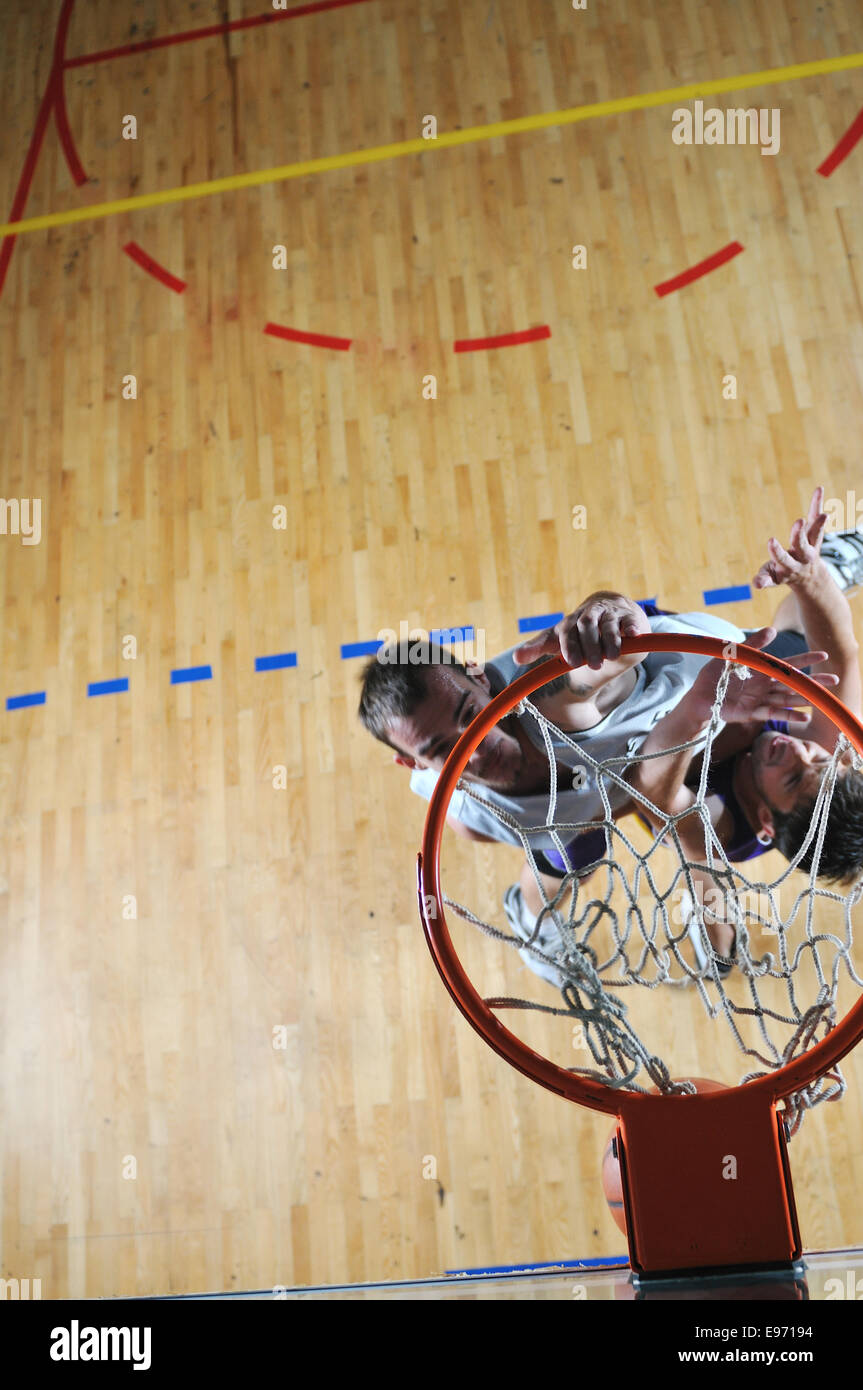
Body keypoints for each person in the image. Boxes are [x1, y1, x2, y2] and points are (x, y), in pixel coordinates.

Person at [625, 487, 863, 969]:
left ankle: (715, 935)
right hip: (705, 658)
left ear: (767, 821)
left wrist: (697, 716)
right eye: (816, 759)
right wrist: (808, 578)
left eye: (793, 779)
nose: (795, 752)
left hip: (640, 721)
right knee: (801, 644)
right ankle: (830, 565)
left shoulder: (724, 829)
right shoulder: (826, 752)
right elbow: (843, 655)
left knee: (689, 860)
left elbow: (653, 795)